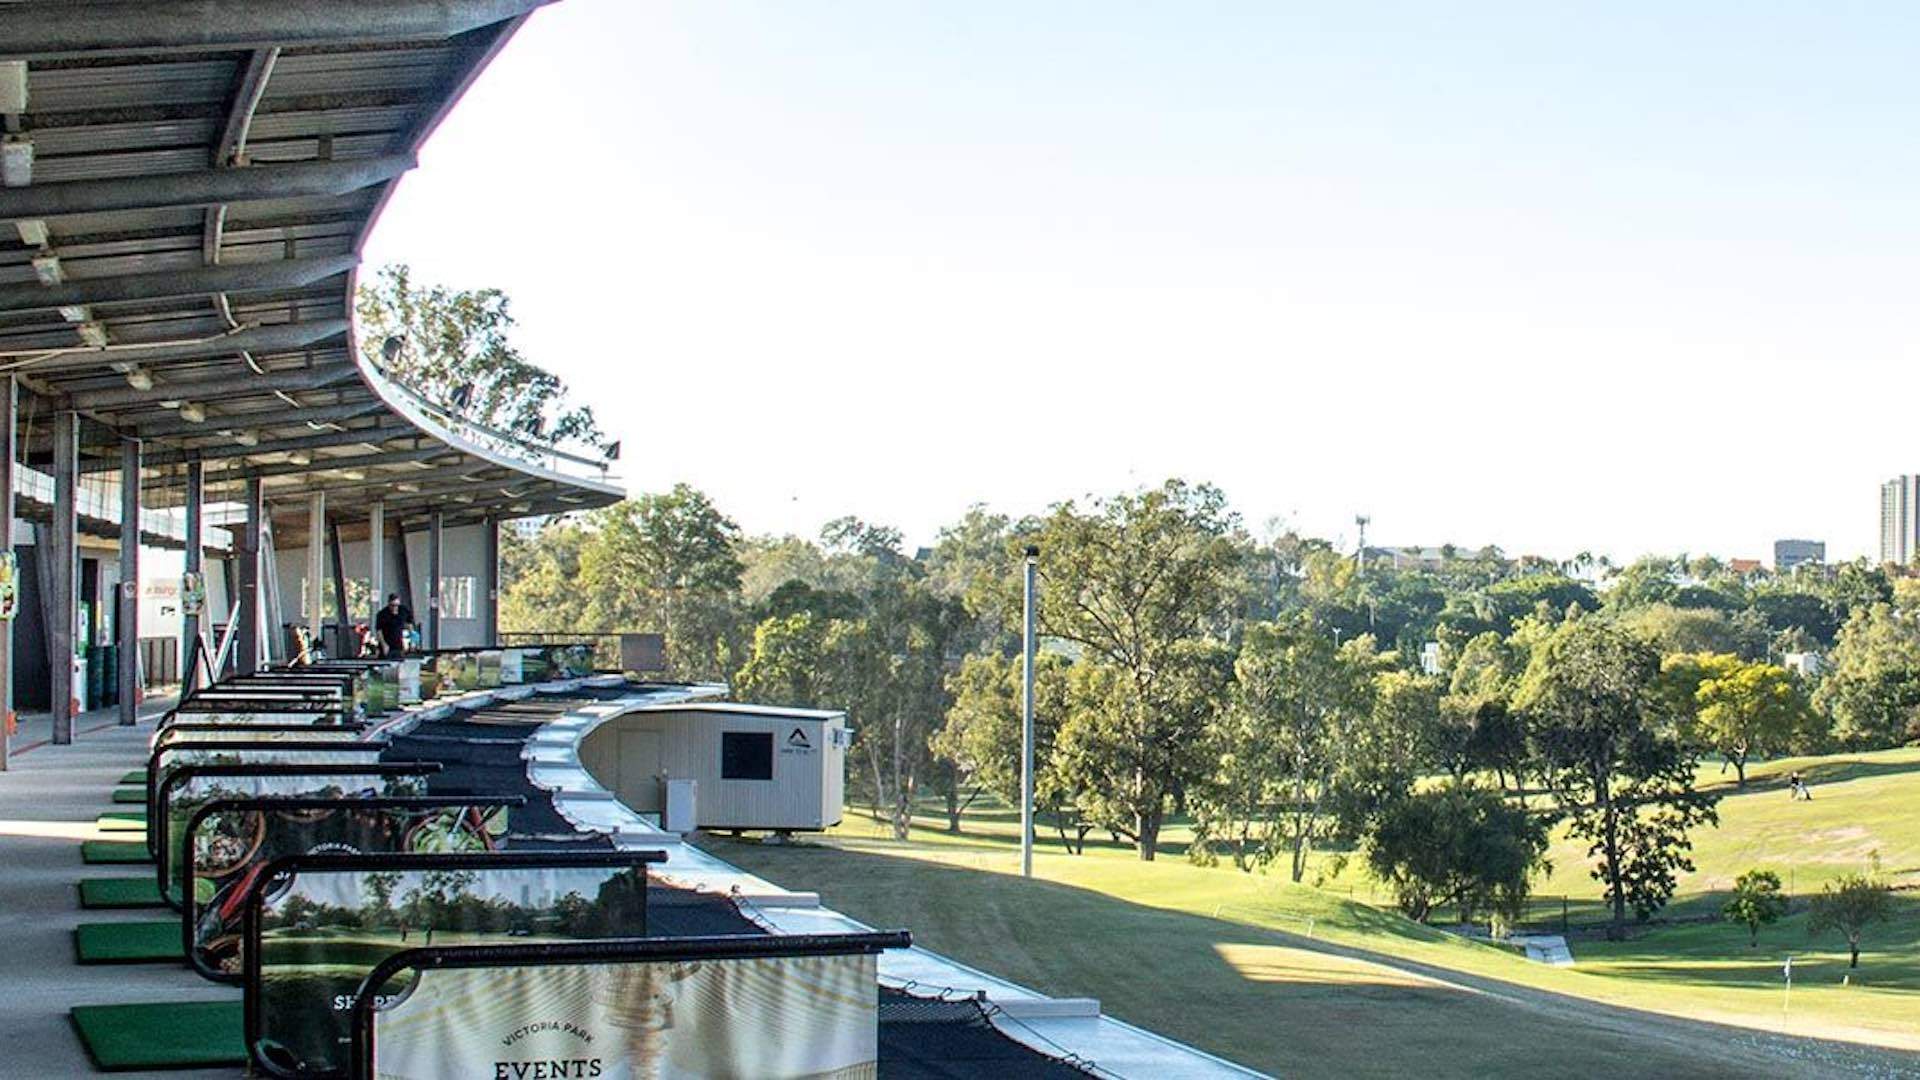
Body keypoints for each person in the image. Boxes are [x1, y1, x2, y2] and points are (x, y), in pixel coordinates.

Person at [374, 594, 412, 658]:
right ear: (389, 604)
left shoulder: (403, 611)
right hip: (387, 644)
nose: (395, 608)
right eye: (392, 605)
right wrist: (384, 645)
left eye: (397, 605)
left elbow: (410, 624)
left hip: (399, 645)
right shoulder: (382, 614)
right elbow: (379, 631)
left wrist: (410, 639)